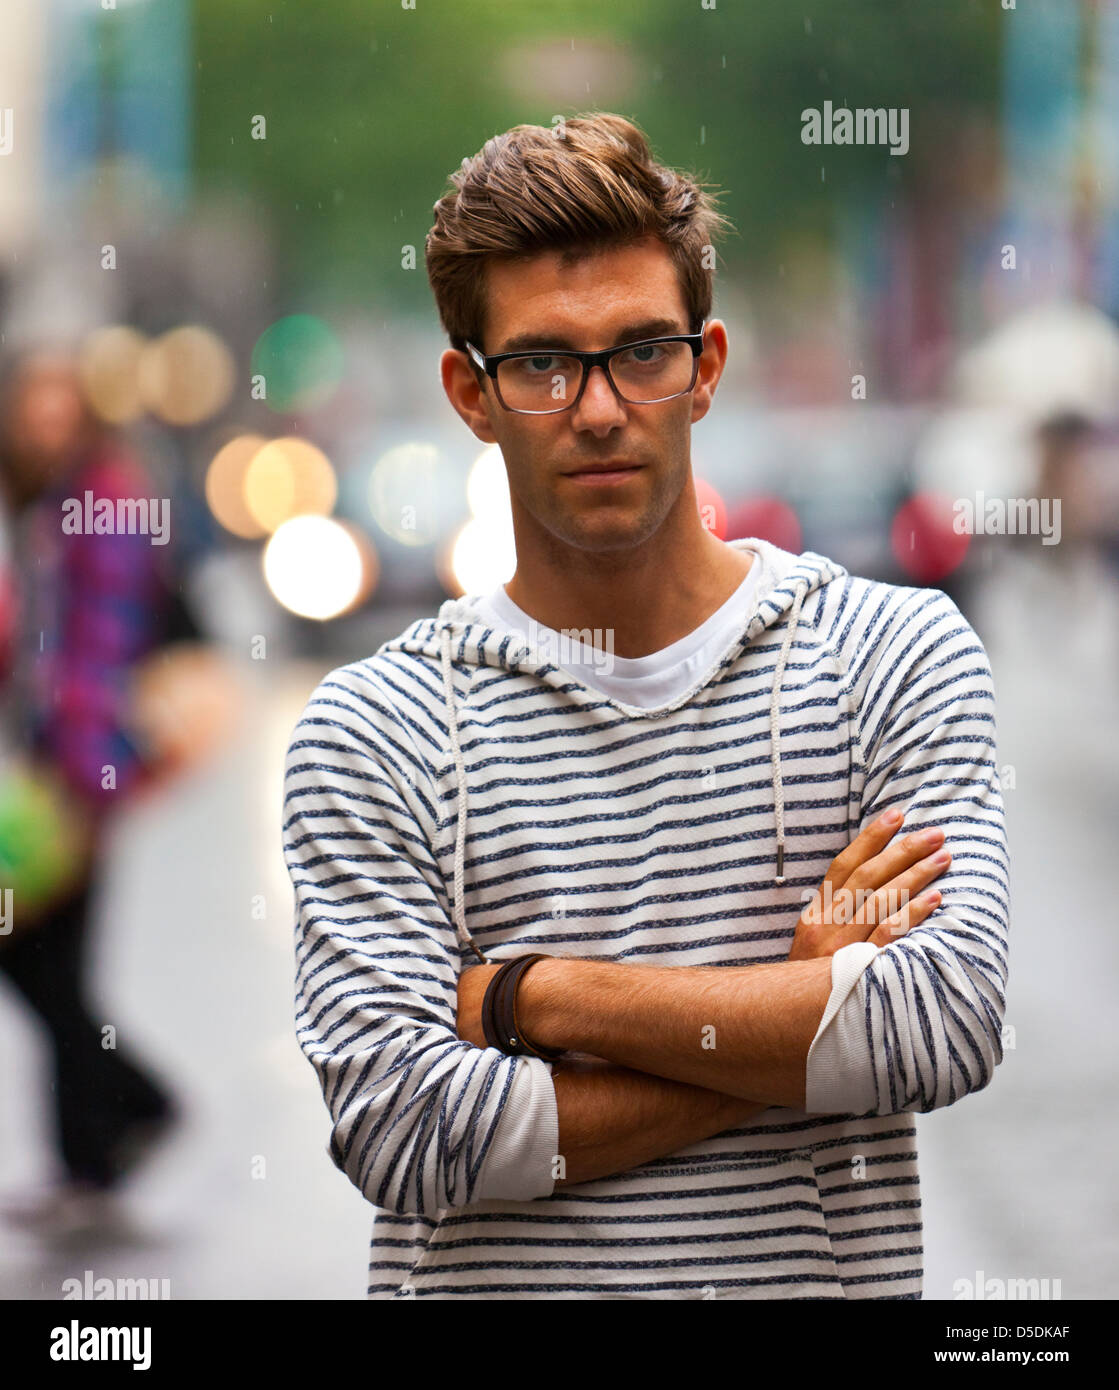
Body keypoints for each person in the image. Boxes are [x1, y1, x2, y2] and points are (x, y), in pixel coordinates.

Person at [283, 113, 1010, 1299]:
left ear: (705, 366)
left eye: (642, 352)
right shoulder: (381, 727)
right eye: (542, 365)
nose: (602, 408)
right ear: (470, 391)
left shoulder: (893, 656)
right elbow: (408, 1134)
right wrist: (795, 1006)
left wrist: (534, 994)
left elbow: (940, 1026)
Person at [0, 347, 178, 1237]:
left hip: (80, 774)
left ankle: (138, 1107)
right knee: (53, 966)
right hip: (49, 773)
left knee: (45, 962)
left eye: (59, 399)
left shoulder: (101, 501)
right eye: (32, 400)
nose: (44, 417)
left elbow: (103, 649)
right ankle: (91, 1160)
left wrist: (83, 775)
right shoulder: (46, 503)